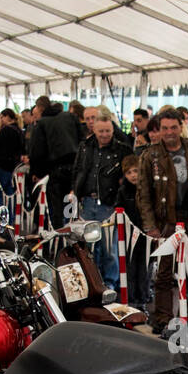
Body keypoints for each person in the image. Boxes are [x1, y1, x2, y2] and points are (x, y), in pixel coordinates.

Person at [135, 106, 188, 330]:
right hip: (166, 222)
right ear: (159, 130)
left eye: (174, 127)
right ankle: (163, 319)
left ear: (180, 127)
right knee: (163, 272)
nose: (170, 132)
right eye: (165, 128)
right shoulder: (150, 155)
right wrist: (150, 225)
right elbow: (143, 193)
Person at [72, 111, 122, 286]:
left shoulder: (120, 150)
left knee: (109, 248)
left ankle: (109, 283)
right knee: (89, 247)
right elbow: (78, 169)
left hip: (108, 205)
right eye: (101, 131)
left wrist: (118, 202)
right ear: (94, 130)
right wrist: (75, 192)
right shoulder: (85, 146)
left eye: (108, 131)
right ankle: (92, 281)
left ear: (112, 130)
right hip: (87, 202)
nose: (105, 135)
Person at [29, 96, 82, 228]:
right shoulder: (70, 117)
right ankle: (71, 237)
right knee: (71, 206)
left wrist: (36, 172)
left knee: (56, 208)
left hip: (55, 171)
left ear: (41, 109)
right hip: (74, 168)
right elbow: (81, 140)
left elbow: (36, 151)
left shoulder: (42, 123)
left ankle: (58, 238)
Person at [116, 153, 150, 308]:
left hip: (145, 234)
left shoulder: (147, 189)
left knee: (144, 266)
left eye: (136, 171)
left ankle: (142, 296)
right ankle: (130, 297)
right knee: (130, 266)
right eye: (129, 172)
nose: (133, 175)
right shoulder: (123, 192)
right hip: (128, 235)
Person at [0, 108, 23, 204]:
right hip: (14, 164)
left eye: (1, 117)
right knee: (10, 190)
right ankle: (12, 213)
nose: (0, 120)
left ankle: (1, 212)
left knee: (1, 190)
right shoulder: (19, 130)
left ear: (7, 117)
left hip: (3, 164)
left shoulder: (6, 130)